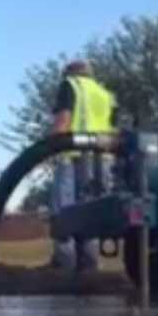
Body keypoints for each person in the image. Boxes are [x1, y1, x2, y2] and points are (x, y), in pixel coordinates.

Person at [49, 60, 117, 271]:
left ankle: (65, 271)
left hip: (72, 156)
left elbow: (63, 121)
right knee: (90, 216)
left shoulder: (70, 85)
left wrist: (50, 149)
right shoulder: (105, 94)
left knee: (64, 215)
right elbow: (111, 128)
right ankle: (89, 272)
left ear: (70, 73)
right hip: (102, 161)